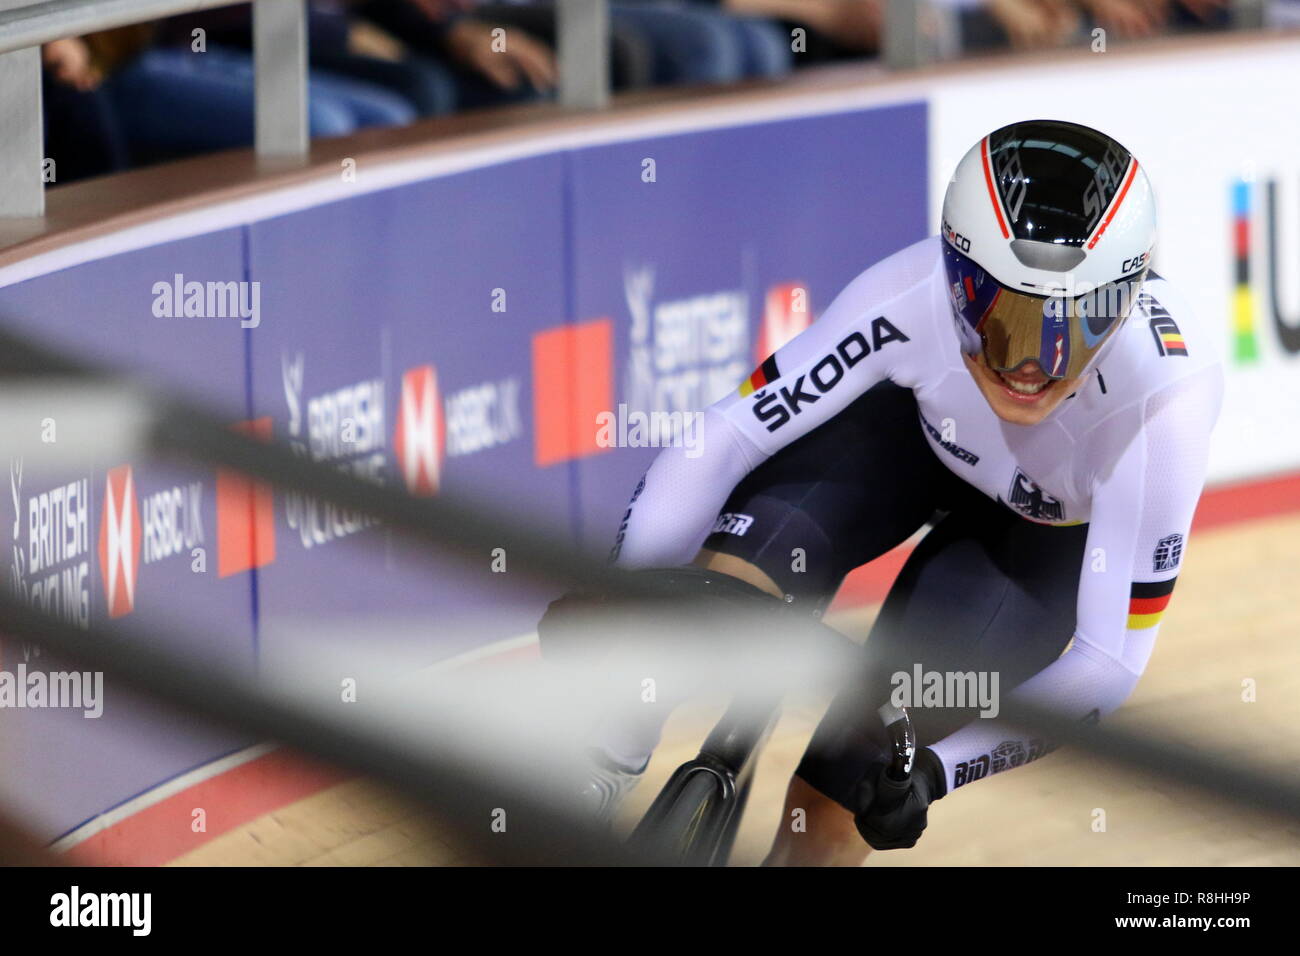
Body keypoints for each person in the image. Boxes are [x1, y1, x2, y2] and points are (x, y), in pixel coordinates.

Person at [572, 120, 1223, 865]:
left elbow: (1109, 664)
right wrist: (624, 597)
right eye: (1003, 322)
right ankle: (604, 755)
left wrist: (939, 772)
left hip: (1035, 544)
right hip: (912, 444)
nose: (1032, 367)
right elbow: (725, 437)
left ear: (1128, 297)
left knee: (841, 803)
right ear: (955, 277)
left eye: (1073, 327)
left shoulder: (1165, 406)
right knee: (716, 594)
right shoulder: (907, 291)